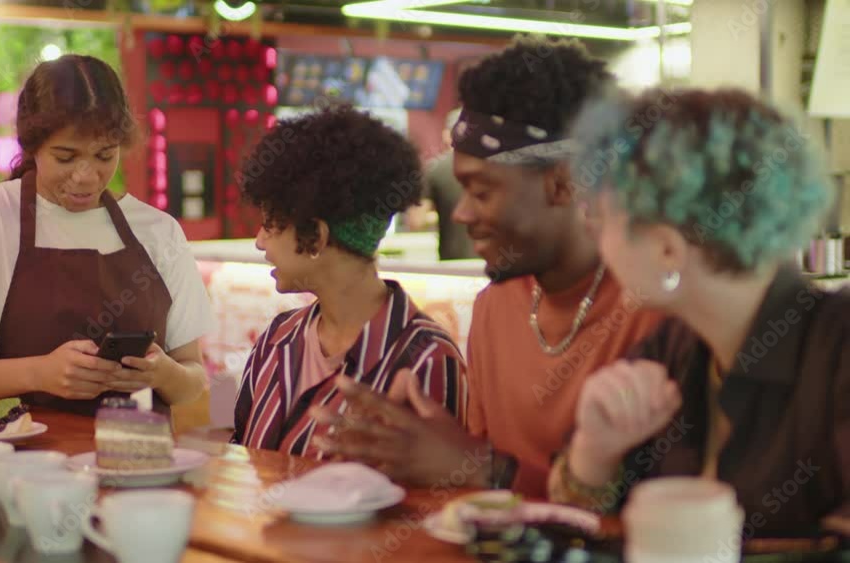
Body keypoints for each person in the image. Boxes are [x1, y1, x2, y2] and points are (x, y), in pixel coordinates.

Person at [311, 37, 664, 495]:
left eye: (482, 191)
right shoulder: (495, 308)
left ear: (563, 184)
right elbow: (487, 500)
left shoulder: (653, 315)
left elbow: (656, 522)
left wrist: (479, 466)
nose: (462, 214)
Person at [547, 88, 849, 535]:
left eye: (605, 219)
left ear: (668, 249)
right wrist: (596, 450)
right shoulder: (676, 346)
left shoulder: (838, 354)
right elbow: (573, 510)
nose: (597, 237)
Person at [0, 55, 214, 417]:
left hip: (139, 465)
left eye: (104, 155)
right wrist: (38, 373)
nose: (86, 176)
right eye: (66, 157)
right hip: (18, 463)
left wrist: (163, 374)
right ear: (33, 147)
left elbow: (193, 379)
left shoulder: (159, 231)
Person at [231, 104, 468, 457]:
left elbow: (438, 498)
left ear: (317, 235)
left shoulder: (427, 359)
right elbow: (239, 451)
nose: (260, 241)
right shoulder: (276, 339)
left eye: (270, 223)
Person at [405, 108, 477, 261]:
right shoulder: (493, 168)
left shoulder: (434, 169)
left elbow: (416, 221)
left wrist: (440, 213)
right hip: (489, 263)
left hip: (451, 266)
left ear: (447, 135)